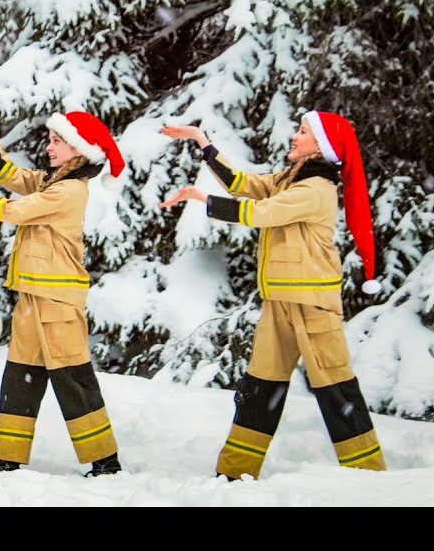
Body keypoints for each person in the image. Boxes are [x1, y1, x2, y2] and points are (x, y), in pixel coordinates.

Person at [160, 111, 387, 479]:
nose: (295, 137)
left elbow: (260, 212)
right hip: (281, 298)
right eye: (297, 130)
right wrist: (201, 140)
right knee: (260, 384)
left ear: (322, 147)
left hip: (313, 300)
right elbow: (240, 183)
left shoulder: (315, 189)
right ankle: (235, 471)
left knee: (335, 387)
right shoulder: (290, 180)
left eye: (303, 132)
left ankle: (369, 471)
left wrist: (205, 200)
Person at [0, 107, 126, 477]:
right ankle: (9, 458)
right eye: (50, 140)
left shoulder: (69, 190)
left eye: (57, 141)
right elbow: (12, 176)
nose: (49, 147)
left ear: (78, 150)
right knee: (20, 377)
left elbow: (16, 210)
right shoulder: (53, 181)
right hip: (33, 296)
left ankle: (105, 460)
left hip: (59, 300)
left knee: (72, 377)